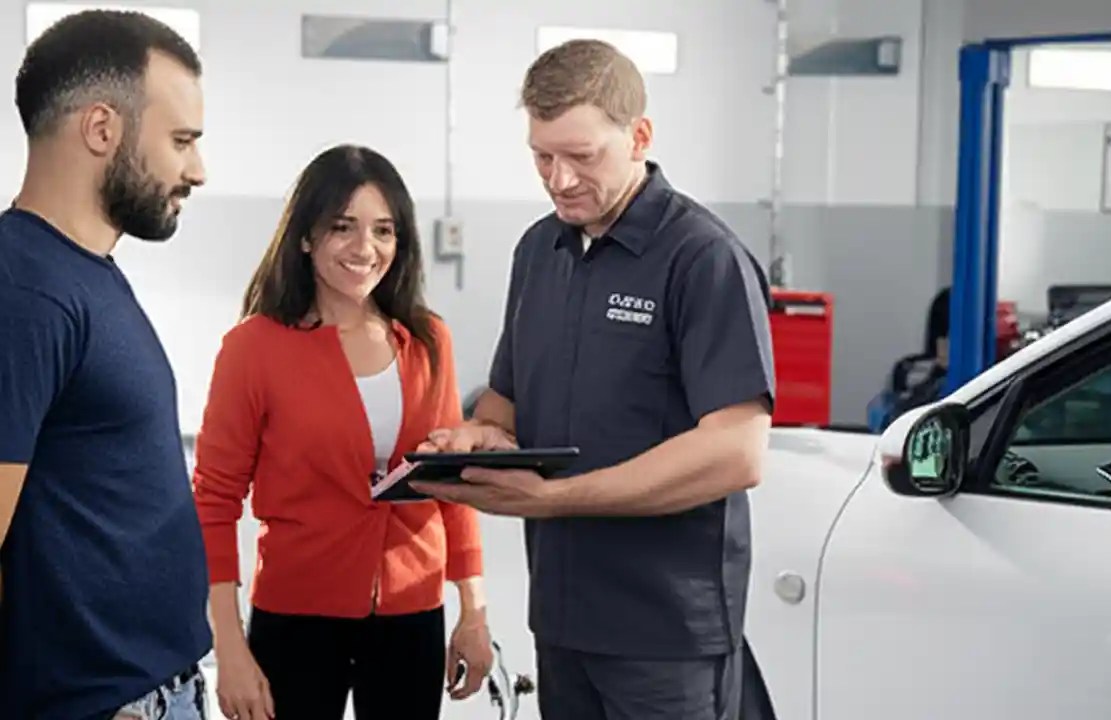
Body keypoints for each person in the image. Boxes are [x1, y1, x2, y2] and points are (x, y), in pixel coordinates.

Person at [413, 40, 775, 720]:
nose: (560, 180)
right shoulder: (539, 250)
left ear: (639, 137)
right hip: (562, 619)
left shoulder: (702, 258)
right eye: (542, 157)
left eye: (581, 156)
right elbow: (506, 403)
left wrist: (556, 499)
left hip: (666, 634)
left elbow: (737, 452)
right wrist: (478, 438)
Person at [191, 144, 494, 720]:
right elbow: (214, 500)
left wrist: (473, 611)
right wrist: (228, 647)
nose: (365, 248)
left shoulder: (428, 341)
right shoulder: (253, 348)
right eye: (342, 227)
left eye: (383, 230)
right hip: (296, 615)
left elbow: (452, 486)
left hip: (412, 614)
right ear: (306, 236)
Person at [0, 10, 212, 719]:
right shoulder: (24, 290)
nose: (198, 170)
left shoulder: (83, 274)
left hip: (157, 691)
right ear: (101, 129)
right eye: (181, 141)